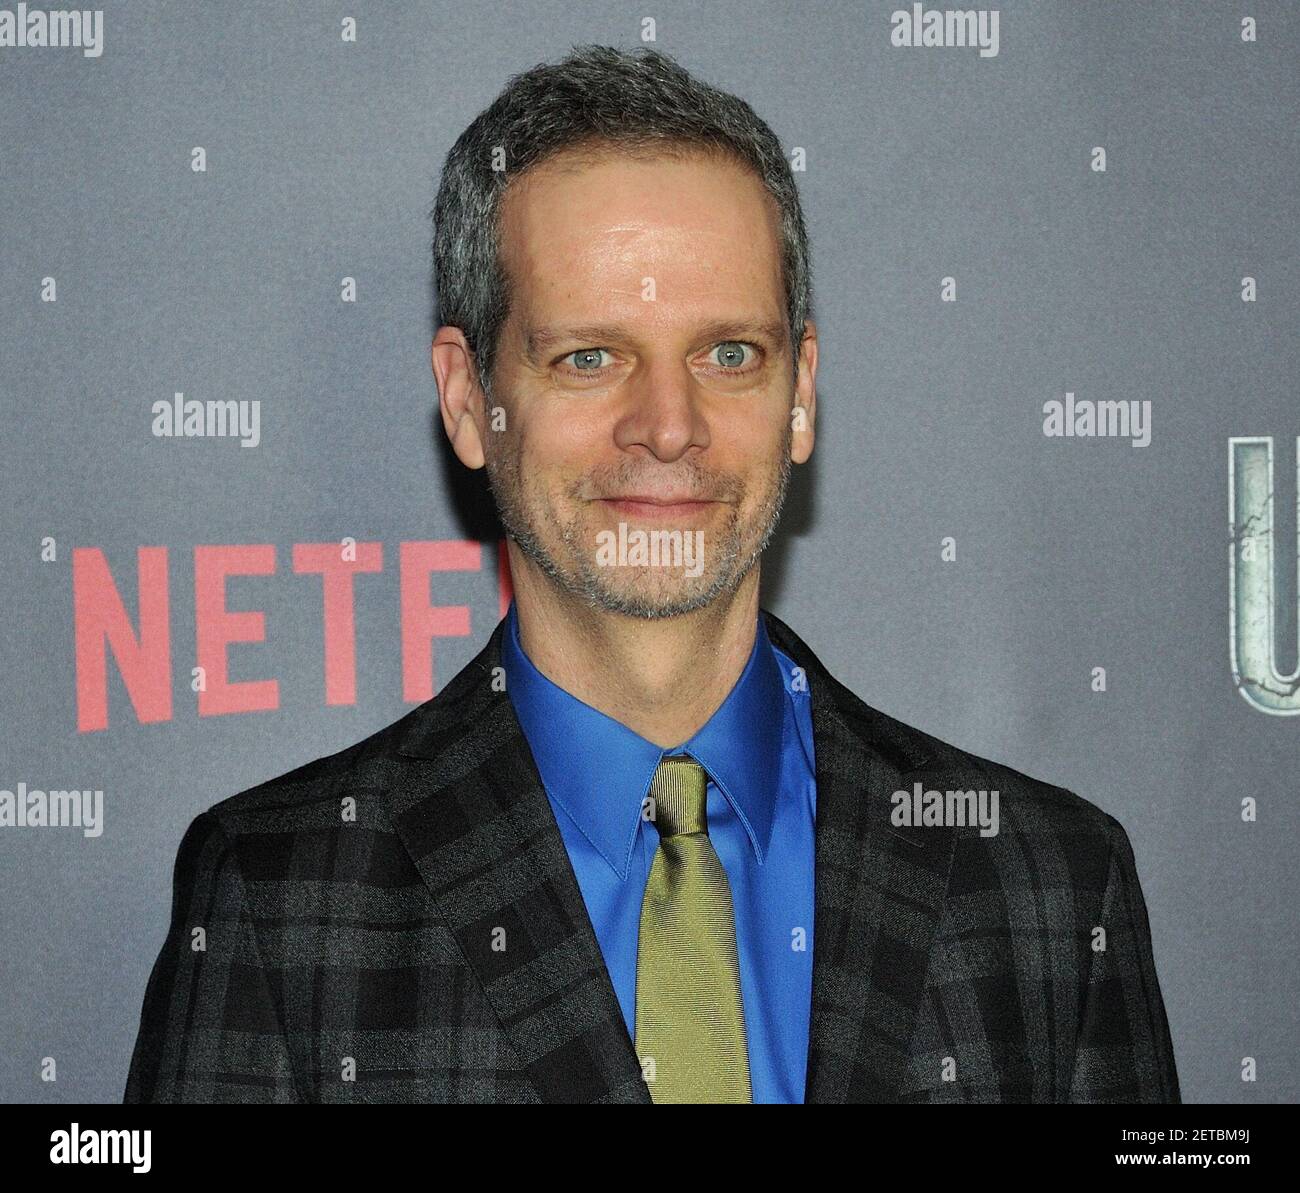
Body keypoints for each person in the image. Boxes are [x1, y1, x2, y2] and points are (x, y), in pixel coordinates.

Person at [124, 44, 1179, 1104]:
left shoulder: (1042, 880)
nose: (669, 427)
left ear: (801, 392)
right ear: (465, 398)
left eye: (728, 354)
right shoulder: (283, 899)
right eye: (590, 356)